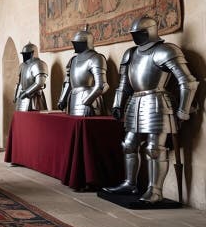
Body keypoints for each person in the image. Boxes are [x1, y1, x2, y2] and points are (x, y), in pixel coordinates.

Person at [103, 16, 198, 203]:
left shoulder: (166, 50)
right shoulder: (130, 53)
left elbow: (188, 81)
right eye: (134, 34)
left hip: (158, 102)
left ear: (150, 32)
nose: (136, 37)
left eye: (139, 34)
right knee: (129, 145)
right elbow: (123, 85)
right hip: (135, 102)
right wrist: (117, 104)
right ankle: (130, 183)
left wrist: (182, 110)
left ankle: (155, 191)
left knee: (155, 149)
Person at [58, 27, 109, 116]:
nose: (76, 45)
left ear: (87, 43)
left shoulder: (96, 58)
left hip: (91, 102)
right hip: (73, 100)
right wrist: (62, 99)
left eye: (79, 43)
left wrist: (87, 100)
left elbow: (101, 85)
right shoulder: (73, 60)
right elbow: (68, 83)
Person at [14, 42, 48, 111]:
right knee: (22, 119)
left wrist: (26, 93)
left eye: (27, 54)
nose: (25, 56)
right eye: (24, 54)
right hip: (22, 98)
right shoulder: (22, 66)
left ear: (33, 53)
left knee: (36, 119)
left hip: (35, 98)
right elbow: (20, 83)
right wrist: (16, 96)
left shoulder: (39, 64)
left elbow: (39, 83)